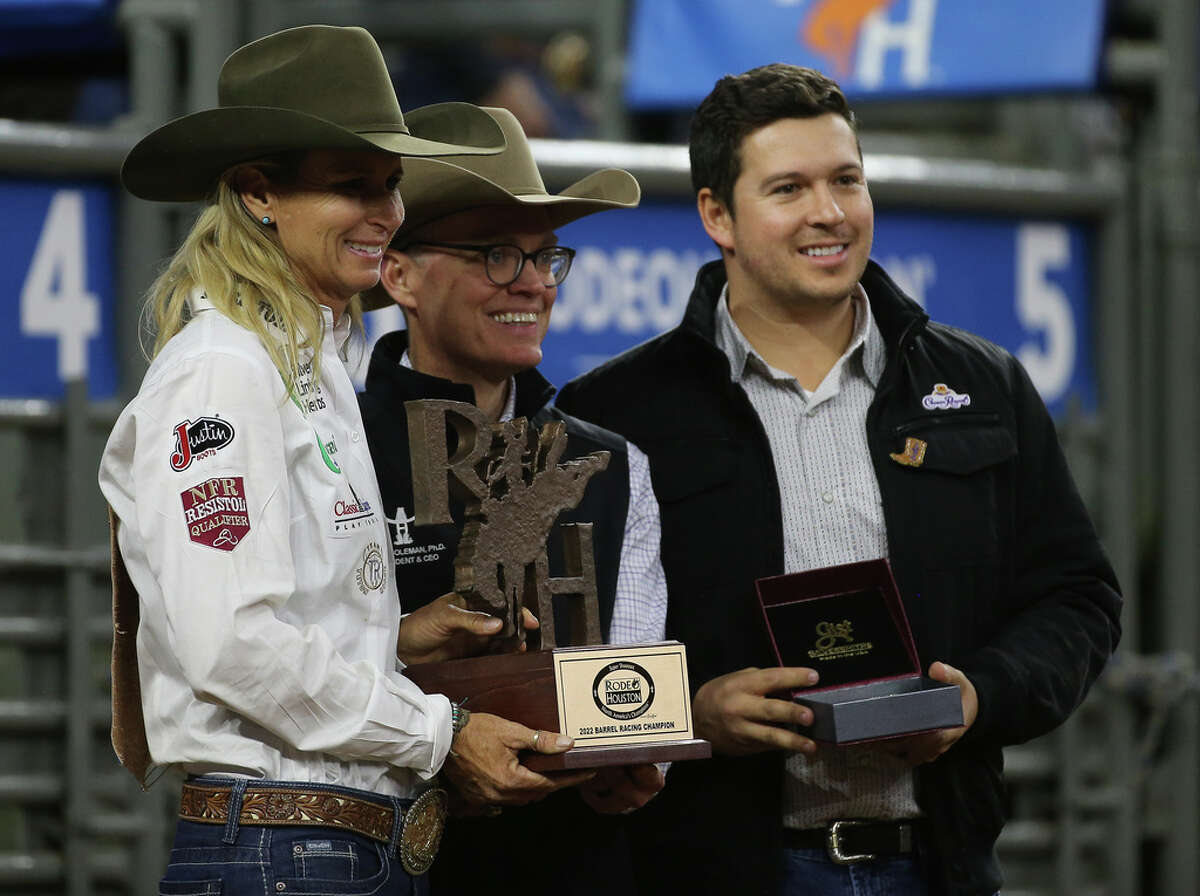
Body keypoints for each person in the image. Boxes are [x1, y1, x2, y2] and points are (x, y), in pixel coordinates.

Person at [555, 63, 1123, 895]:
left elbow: (1078, 597)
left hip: (936, 866)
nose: (828, 213)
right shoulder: (615, 411)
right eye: (788, 187)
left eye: (846, 180)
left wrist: (981, 697)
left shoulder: (986, 385)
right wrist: (690, 714)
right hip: (711, 869)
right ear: (718, 213)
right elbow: (566, 652)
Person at [99, 26, 594, 895]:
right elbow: (230, 645)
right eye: (349, 187)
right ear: (258, 194)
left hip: (324, 847)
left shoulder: (307, 358)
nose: (386, 214)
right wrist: (441, 729)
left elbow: (260, 628)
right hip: (286, 847)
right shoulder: (225, 368)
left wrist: (396, 639)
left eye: (391, 187)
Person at [357, 106, 667, 893]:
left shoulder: (614, 462)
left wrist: (640, 753)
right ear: (399, 275)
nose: (531, 282)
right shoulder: (330, 444)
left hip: (574, 865)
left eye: (543, 256)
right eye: (495, 254)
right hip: (372, 864)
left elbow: (630, 671)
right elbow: (287, 664)